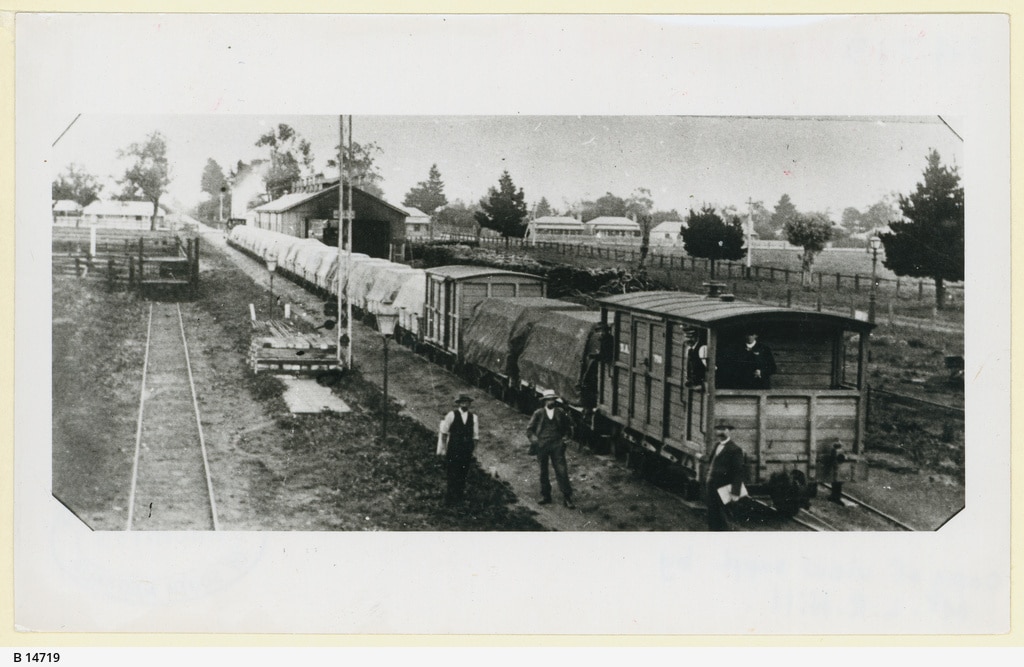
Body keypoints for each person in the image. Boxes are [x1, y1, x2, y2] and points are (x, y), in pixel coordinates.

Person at [525, 389, 576, 509]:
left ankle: (567, 497)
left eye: (552, 399)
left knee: (561, 470)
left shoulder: (560, 412)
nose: (550, 401)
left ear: (555, 400)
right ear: (544, 401)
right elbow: (529, 430)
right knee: (543, 471)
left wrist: (565, 439)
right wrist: (535, 441)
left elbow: (571, 426)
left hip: (557, 445)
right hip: (542, 445)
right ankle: (546, 496)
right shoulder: (538, 413)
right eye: (548, 399)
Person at [438, 393, 479, 505]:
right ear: (459, 403)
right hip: (453, 449)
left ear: (469, 404)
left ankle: (459, 498)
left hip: (466, 450)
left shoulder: (474, 418)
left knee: (463, 473)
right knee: (452, 473)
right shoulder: (452, 415)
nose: (465, 404)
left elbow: (475, 436)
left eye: (467, 402)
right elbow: (444, 432)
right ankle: (450, 498)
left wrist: (474, 452)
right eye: (462, 402)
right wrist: (444, 449)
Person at [705, 420, 746, 531]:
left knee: (724, 519)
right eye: (719, 429)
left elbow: (738, 472)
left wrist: (735, 492)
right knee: (712, 517)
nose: (721, 432)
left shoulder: (735, 449)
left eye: (724, 429)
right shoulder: (717, 446)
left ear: (729, 431)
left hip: (724, 489)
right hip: (712, 487)